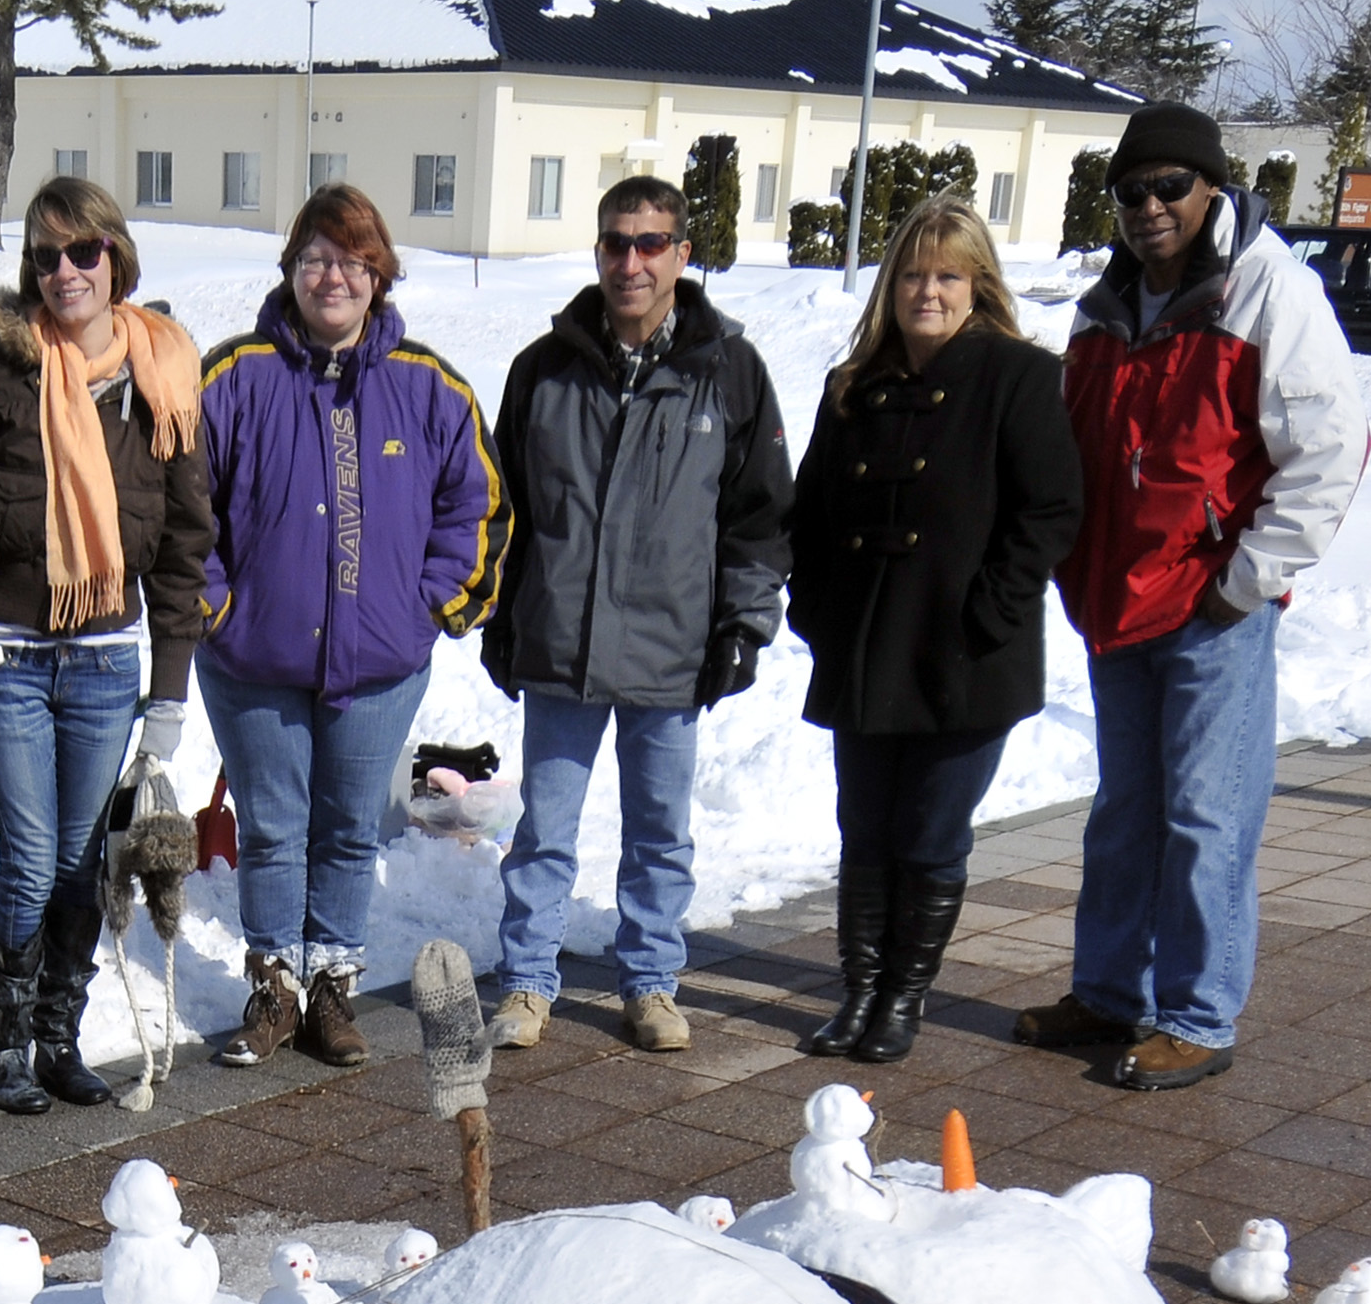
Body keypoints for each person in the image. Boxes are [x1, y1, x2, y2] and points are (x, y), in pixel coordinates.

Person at [1020, 102, 1368, 1090]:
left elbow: (1331, 448)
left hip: (1210, 609)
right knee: (1125, 811)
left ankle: (1199, 1015)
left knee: (1207, 816)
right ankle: (1108, 993)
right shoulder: (1103, 307)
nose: (1150, 207)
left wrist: (1244, 582)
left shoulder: (1269, 293)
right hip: (1116, 602)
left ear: (1211, 187)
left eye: (1171, 186)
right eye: (1131, 192)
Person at [193, 184, 506, 1070]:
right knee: (271, 824)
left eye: (351, 259)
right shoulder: (234, 375)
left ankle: (331, 986)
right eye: (314, 257)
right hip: (254, 659)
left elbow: (475, 503)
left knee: (343, 826)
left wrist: (436, 601)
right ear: (289, 269)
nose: (331, 275)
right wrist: (214, 603)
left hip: (379, 664)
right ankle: (272, 991)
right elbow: (185, 510)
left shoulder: (430, 386)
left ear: (379, 274)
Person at [482, 175, 792, 1055]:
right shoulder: (544, 369)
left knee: (661, 831)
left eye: (651, 242)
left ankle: (650, 979)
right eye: (616, 242)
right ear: (596, 251)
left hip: (671, 646)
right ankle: (527, 983)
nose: (632, 261)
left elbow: (759, 516)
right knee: (542, 830)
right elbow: (506, 509)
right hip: (561, 641)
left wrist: (741, 625)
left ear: (681, 255)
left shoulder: (726, 370)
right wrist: (501, 618)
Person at [0, 176, 213, 1114]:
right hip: (8, 656)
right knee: (28, 858)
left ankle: (57, 1034)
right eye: (46, 255)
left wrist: (169, 692)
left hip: (106, 659)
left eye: (82, 252)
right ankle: (2, 1040)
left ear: (115, 258)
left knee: (77, 862)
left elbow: (185, 544)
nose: (65, 272)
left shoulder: (163, 380)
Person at [788, 196, 1083, 1063]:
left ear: (977, 284)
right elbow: (809, 514)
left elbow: (1051, 509)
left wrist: (988, 611)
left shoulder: (1018, 377)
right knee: (864, 828)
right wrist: (816, 609)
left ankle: (902, 997)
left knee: (929, 833)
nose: (928, 291)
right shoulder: (853, 387)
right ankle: (857, 992)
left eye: (948, 275)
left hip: (964, 657)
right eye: (913, 274)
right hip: (866, 652)